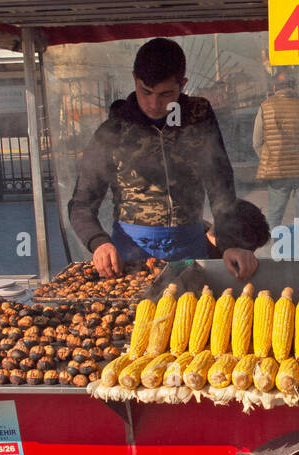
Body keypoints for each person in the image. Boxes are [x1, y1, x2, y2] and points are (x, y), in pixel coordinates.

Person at [68, 37, 258, 281]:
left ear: (183, 84)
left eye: (166, 94)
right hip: (130, 253)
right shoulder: (114, 131)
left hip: (189, 244)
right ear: (134, 79)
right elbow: (81, 204)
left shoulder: (198, 120)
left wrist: (230, 242)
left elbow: (220, 184)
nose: (154, 104)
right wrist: (98, 242)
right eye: (145, 91)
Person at [252, 69, 299, 227]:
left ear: (274, 88)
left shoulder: (265, 107)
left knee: (274, 215)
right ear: (294, 86)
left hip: (276, 170)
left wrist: (269, 160)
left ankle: (273, 248)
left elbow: (256, 142)